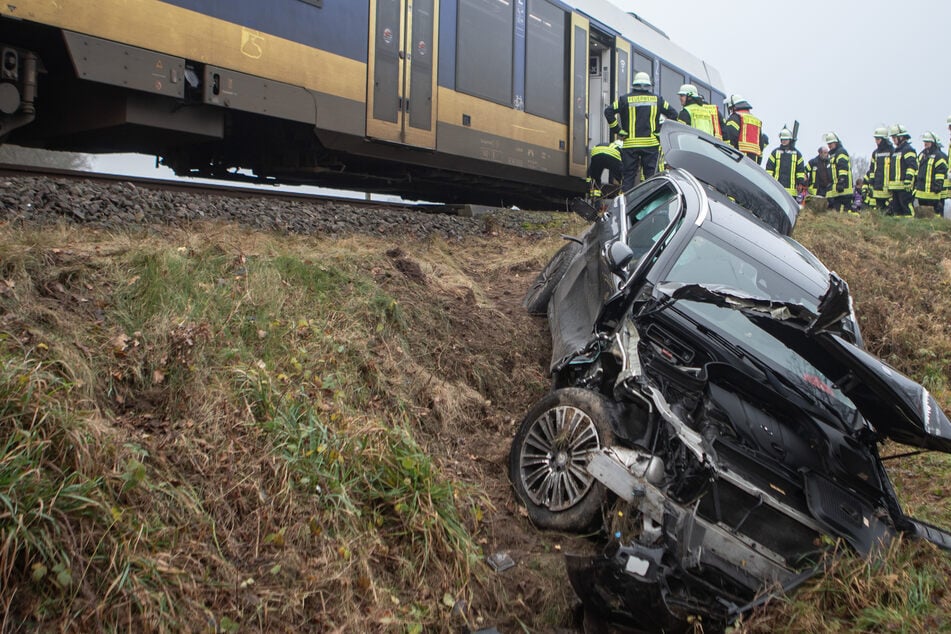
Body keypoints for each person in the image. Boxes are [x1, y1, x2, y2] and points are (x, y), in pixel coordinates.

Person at [604, 71, 679, 191]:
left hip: (630, 145)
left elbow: (608, 112)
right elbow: (674, 114)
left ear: (634, 84)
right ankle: (650, 204)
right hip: (651, 144)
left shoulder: (625, 99)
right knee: (651, 177)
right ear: (649, 85)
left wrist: (617, 130)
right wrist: (659, 131)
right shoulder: (657, 99)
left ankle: (626, 205)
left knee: (628, 177)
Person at [723, 94, 767, 163]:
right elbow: (760, 145)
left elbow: (730, 137)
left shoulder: (735, 118)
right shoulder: (756, 122)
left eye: (730, 109)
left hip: (738, 159)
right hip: (753, 162)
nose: (730, 111)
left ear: (734, 107)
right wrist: (758, 162)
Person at [764, 127, 806, 197]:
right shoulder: (775, 153)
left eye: (785, 139)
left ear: (790, 139)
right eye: (782, 139)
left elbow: (800, 171)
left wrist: (800, 183)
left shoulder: (797, 154)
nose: (783, 141)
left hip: (791, 191)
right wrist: (769, 182)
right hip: (777, 189)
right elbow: (769, 169)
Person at [886, 124, 918, 217]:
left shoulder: (908, 150)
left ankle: (910, 227)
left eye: (895, 137)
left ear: (901, 137)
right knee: (897, 210)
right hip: (895, 187)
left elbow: (912, 166)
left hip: (905, 186)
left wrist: (908, 179)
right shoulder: (896, 151)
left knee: (907, 208)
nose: (893, 140)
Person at [913, 131, 948, 216]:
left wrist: (937, 186)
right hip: (921, 193)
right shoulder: (921, 155)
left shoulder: (938, 156)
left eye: (927, 142)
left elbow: (941, 171)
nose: (925, 144)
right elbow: (917, 171)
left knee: (935, 215)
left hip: (932, 194)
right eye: (924, 142)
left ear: (933, 143)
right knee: (922, 216)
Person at [864, 127, 893, 211]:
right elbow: (872, 169)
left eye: (878, 139)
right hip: (877, 188)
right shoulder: (875, 153)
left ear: (884, 139)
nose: (876, 141)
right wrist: (872, 181)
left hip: (888, 189)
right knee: (879, 212)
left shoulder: (892, 151)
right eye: (875, 139)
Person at [824, 132, 854, 212]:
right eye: (828, 144)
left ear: (836, 142)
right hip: (837, 190)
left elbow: (842, 167)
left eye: (831, 143)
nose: (829, 145)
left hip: (844, 189)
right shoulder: (832, 155)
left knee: (845, 212)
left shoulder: (841, 152)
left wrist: (841, 181)